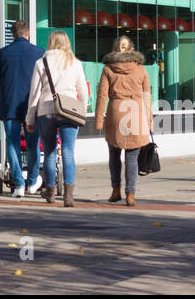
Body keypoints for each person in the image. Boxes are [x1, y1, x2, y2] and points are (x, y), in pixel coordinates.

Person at [25, 31, 89, 207]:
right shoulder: (74, 63)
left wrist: (29, 118)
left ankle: (51, 191)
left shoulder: (41, 62)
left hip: (46, 111)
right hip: (69, 111)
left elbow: (34, 93)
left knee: (50, 151)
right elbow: (83, 91)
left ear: (51, 42)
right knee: (68, 151)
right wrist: (81, 110)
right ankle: (68, 195)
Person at [96, 35, 152, 207]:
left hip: (116, 113)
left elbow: (102, 95)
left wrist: (98, 120)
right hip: (135, 114)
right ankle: (130, 194)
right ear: (131, 50)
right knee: (132, 157)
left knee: (114, 155)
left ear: (115, 49)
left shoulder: (108, 69)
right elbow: (146, 96)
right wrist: (149, 120)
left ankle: (115, 190)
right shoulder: (141, 69)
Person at [0, 20, 45, 197]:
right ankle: (32, 182)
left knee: (12, 143)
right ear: (28, 33)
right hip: (32, 105)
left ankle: (18, 184)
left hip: (10, 105)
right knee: (33, 144)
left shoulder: (3, 53)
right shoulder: (39, 53)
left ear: (13, 34)